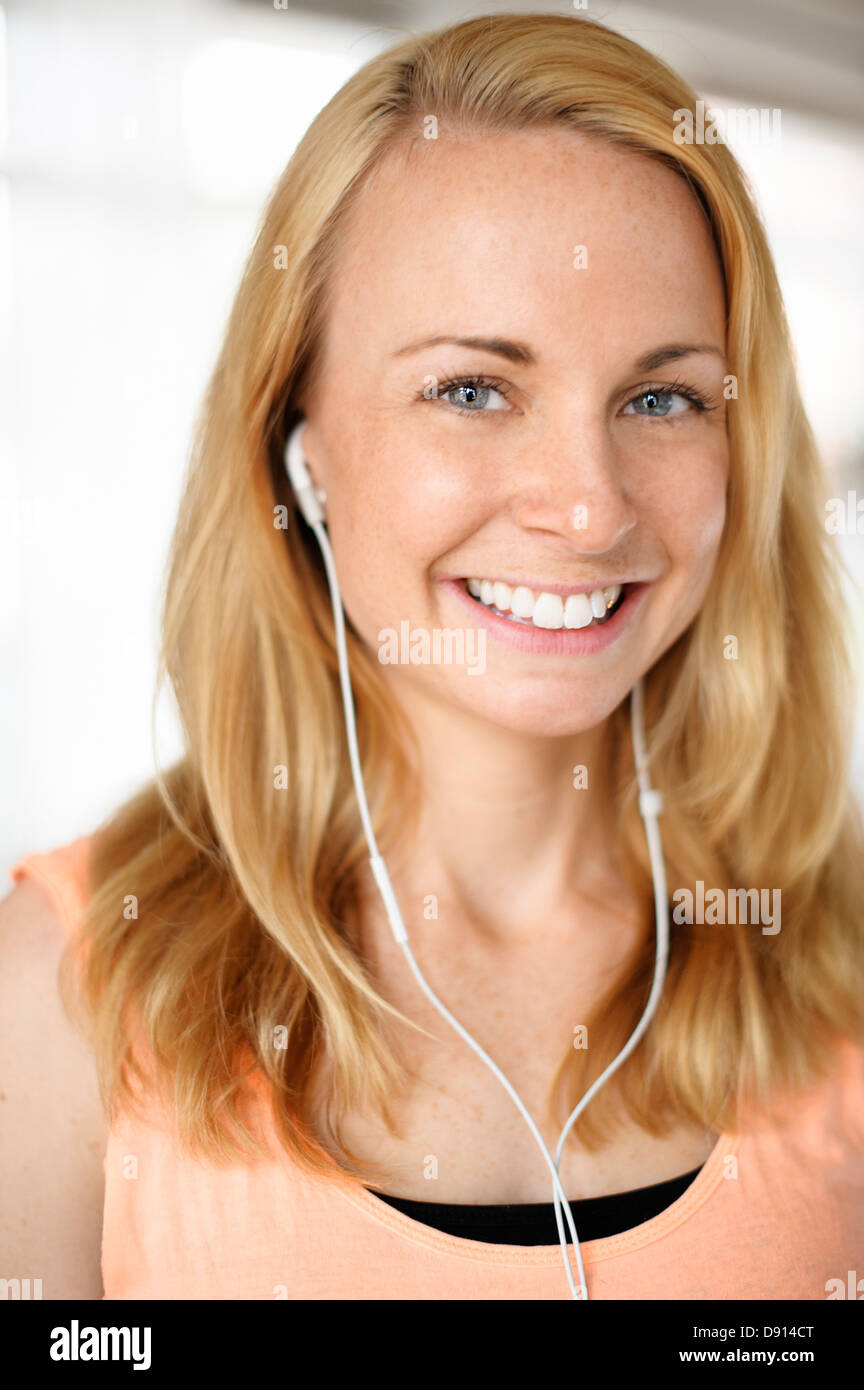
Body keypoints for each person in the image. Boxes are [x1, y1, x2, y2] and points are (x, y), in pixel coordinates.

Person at [2, 12, 862, 1301]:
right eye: (472, 388)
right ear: (303, 448)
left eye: (662, 396)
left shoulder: (839, 964)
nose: (589, 508)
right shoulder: (67, 990)